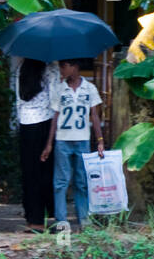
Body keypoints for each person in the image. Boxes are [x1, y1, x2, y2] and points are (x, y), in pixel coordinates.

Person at [42, 58, 104, 231]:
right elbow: (55, 118)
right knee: (61, 181)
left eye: (64, 66)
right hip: (62, 140)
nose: (61, 69)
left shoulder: (89, 88)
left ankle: (83, 218)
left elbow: (95, 116)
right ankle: (62, 219)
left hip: (82, 140)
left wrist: (100, 141)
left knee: (81, 181)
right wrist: (49, 144)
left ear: (75, 67)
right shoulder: (60, 89)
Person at [10, 56, 60, 231]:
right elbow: (56, 103)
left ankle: (33, 219)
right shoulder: (50, 67)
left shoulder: (20, 69)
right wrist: (49, 142)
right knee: (45, 174)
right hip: (45, 123)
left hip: (25, 124)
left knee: (29, 174)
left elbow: (18, 102)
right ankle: (45, 218)